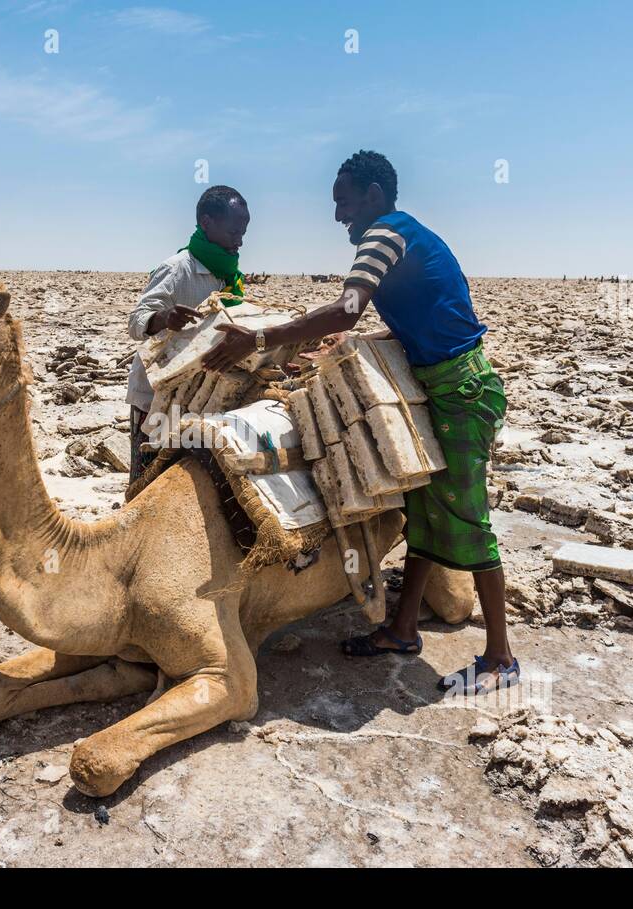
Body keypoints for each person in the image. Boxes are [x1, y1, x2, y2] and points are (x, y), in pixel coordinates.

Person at [200, 150, 517, 694]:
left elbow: (348, 307)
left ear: (373, 194)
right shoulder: (404, 233)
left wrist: (258, 339)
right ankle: (402, 628)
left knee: (466, 518)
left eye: (344, 201)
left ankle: (500, 657)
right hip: (439, 384)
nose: (339, 215)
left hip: (461, 390)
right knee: (423, 510)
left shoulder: (385, 234)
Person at [125, 185, 250, 483]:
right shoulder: (178, 269)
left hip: (199, 398)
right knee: (148, 479)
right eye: (234, 231)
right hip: (156, 400)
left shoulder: (229, 276)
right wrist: (165, 318)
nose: (240, 240)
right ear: (207, 223)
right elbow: (136, 321)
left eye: (244, 232)